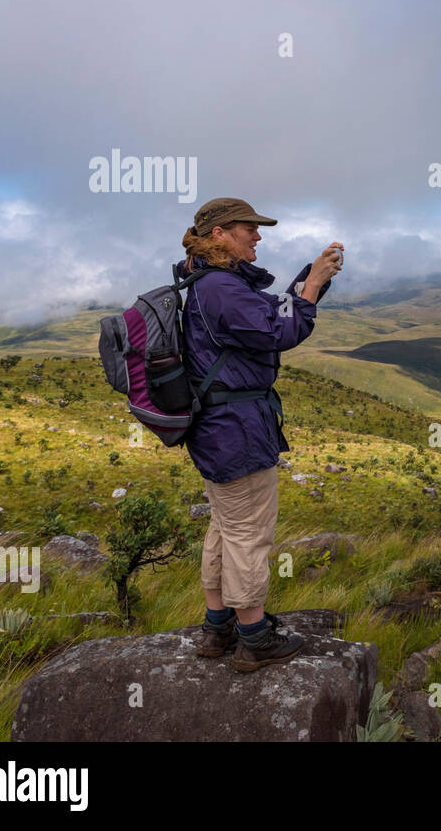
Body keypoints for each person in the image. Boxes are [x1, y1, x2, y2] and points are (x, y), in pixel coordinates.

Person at [175, 197, 343, 672]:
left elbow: (270, 310)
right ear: (220, 234)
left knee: (225, 526)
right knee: (248, 532)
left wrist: (310, 279)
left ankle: (217, 626)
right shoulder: (221, 288)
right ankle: (253, 639)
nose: (258, 235)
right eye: (249, 227)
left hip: (218, 427)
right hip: (236, 429)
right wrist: (311, 287)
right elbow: (277, 330)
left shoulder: (214, 283)